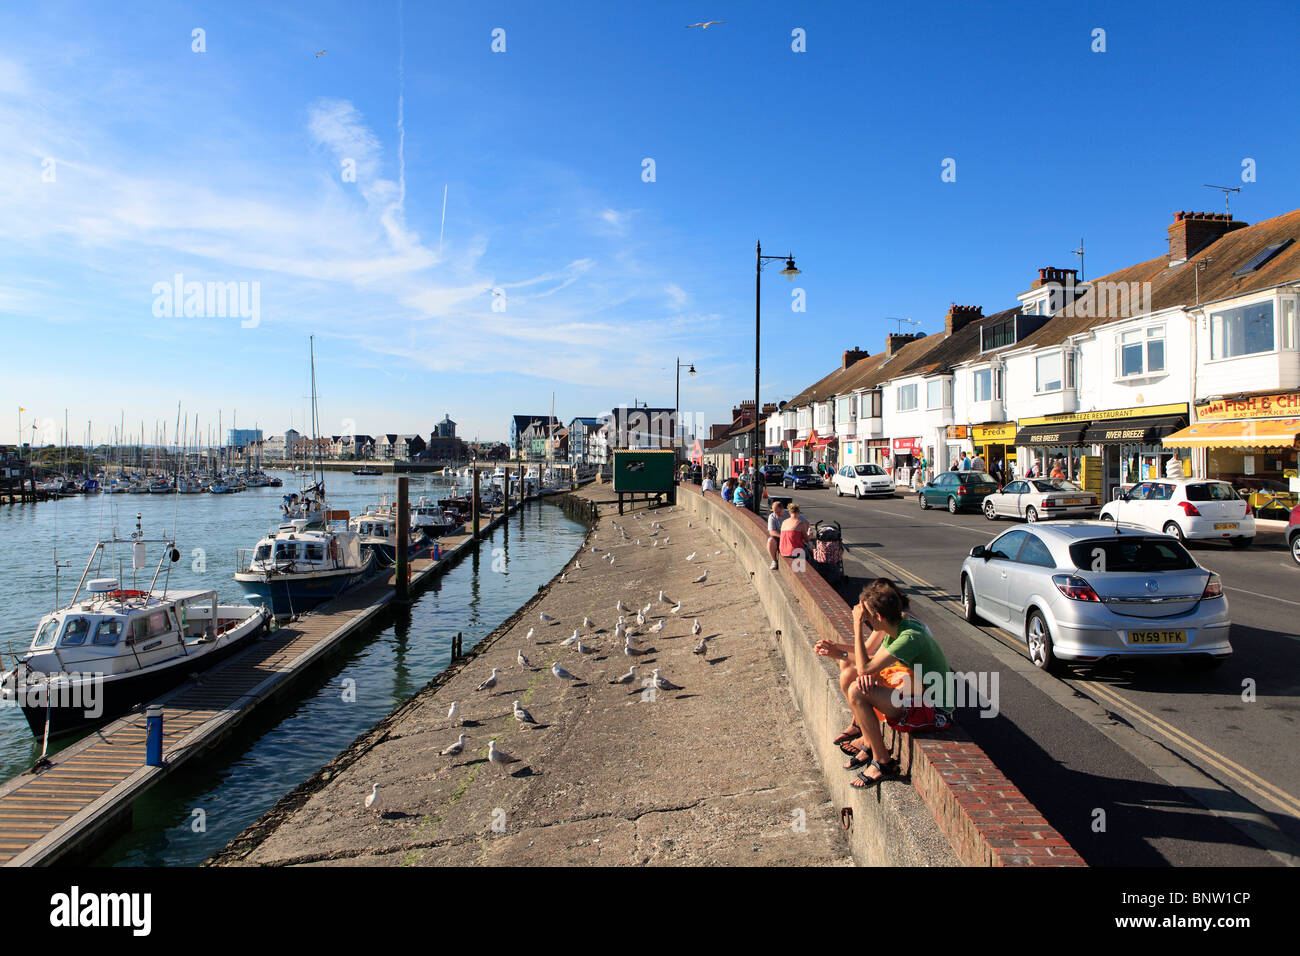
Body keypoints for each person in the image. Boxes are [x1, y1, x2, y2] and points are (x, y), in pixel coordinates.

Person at [816, 579, 954, 789]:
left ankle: (883, 763)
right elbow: (869, 663)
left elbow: (865, 668)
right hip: (916, 691)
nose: (864, 619)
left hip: (934, 710)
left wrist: (855, 625)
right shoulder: (899, 625)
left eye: (866, 617)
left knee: (857, 690)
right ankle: (870, 742)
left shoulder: (909, 636)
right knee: (854, 677)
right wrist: (841, 654)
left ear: (878, 617)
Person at [767, 500, 788, 569]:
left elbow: (805, 522)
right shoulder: (772, 516)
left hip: (790, 537)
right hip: (780, 537)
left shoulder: (790, 514)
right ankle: (774, 561)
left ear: (783, 509)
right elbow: (772, 531)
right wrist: (782, 537)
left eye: (778, 512)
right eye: (774, 512)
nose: (776, 514)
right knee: (770, 541)